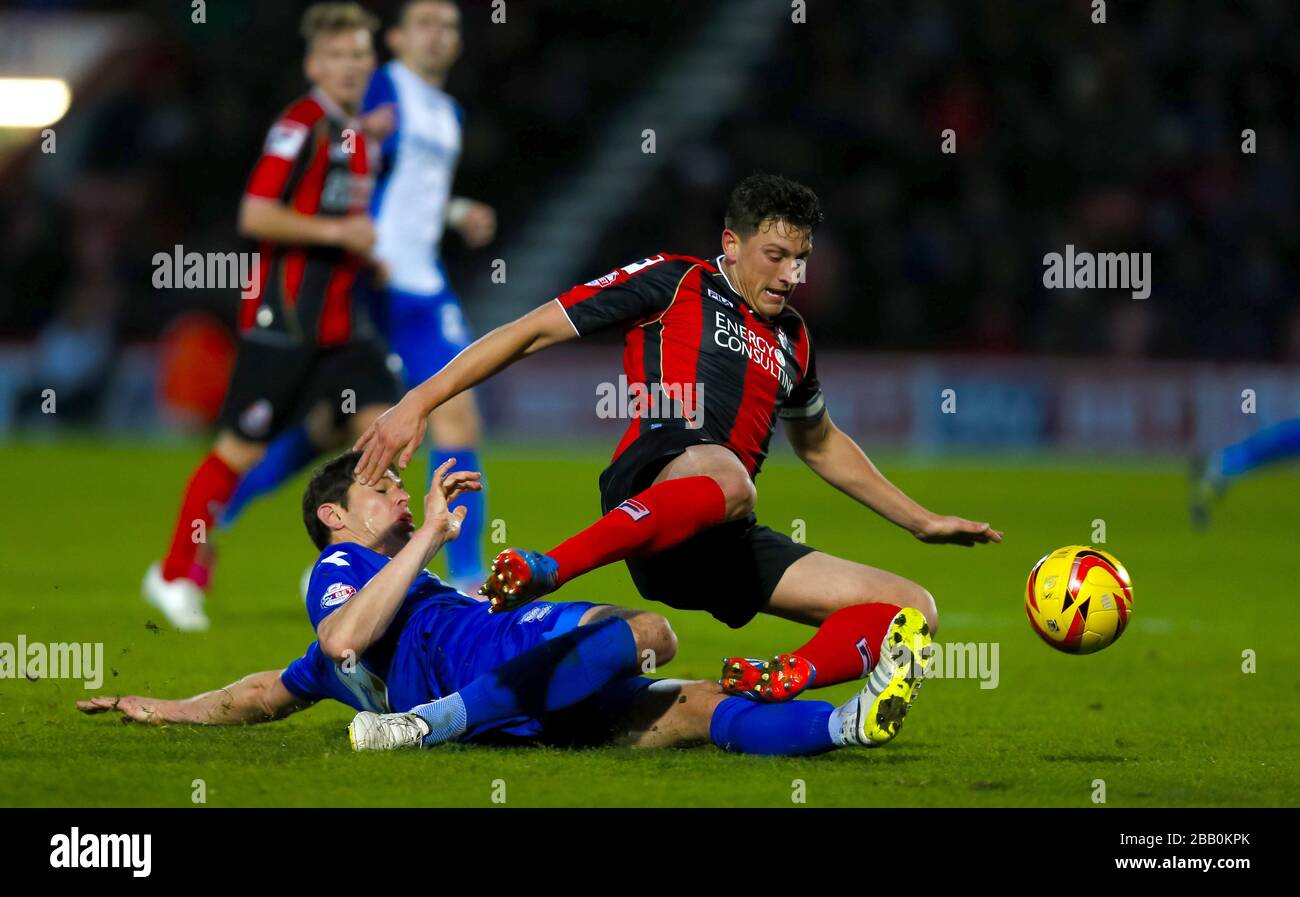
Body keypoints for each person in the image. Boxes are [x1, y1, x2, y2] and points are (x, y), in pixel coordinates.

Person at [352, 173, 1001, 701]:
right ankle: (548, 566)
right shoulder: (677, 279)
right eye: (775, 256)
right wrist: (420, 398)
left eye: (800, 260)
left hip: (720, 534)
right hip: (657, 479)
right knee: (727, 474)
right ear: (733, 242)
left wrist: (921, 520)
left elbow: (821, 440)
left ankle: (783, 678)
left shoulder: (794, 337)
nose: (788, 275)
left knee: (911, 609)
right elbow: (530, 331)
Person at [82, 451, 933, 756]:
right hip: (484, 670)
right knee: (649, 630)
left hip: (525, 700)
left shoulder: (397, 590)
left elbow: (268, 689)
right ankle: (434, 726)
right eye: (385, 491)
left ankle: (845, 725)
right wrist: (424, 539)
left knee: (708, 707)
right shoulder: (338, 566)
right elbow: (342, 638)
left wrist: (159, 707)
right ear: (335, 518)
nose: (404, 500)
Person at [220, 0, 496, 594]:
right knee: (339, 427)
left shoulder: (446, 111)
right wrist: (349, 247)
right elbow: (349, 171)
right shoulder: (383, 90)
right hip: (376, 282)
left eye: (450, 24)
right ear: (394, 38)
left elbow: (407, 185)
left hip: (424, 284)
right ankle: (221, 513)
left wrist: (457, 210)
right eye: (425, 23)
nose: (439, 34)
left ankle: (466, 575)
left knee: (450, 415)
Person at [143, 2, 401, 631]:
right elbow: (256, 215)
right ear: (314, 63)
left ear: (371, 63)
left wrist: (368, 261)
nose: (348, 65)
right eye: (335, 55)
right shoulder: (300, 124)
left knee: (387, 434)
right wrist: (341, 233)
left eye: (358, 55)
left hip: (345, 326)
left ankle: (348, 566)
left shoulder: (359, 138)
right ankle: (175, 573)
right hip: (284, 323)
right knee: (238, 451)